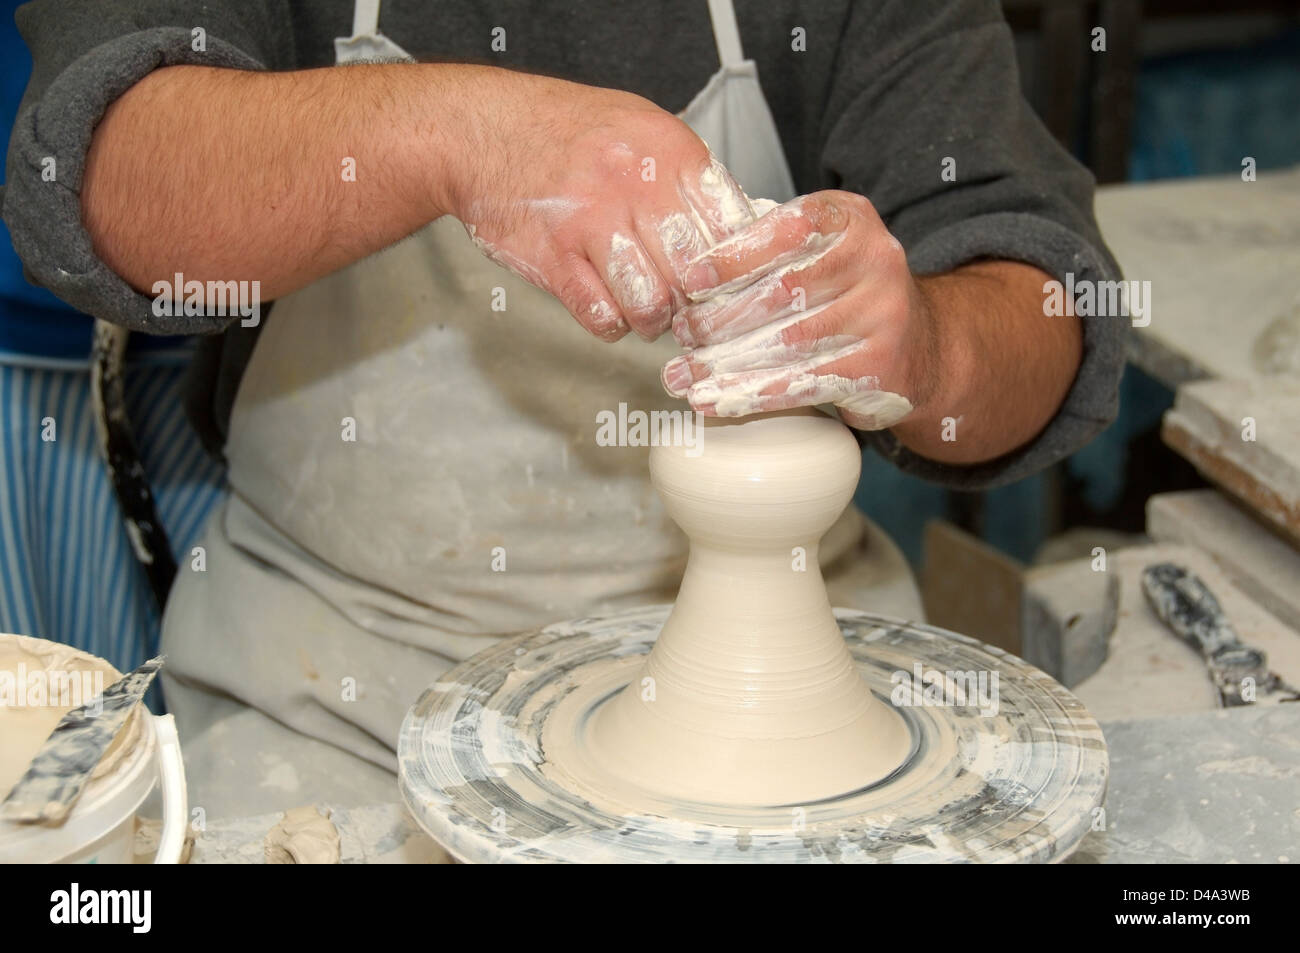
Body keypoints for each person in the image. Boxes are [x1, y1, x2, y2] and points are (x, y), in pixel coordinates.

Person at [3, 0, 1123, 817]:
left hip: (793, 704)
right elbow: (103, 173)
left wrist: (929, 341)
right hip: (335, 691)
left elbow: (1044, 293)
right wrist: (454, 135)